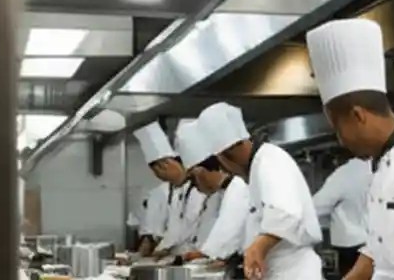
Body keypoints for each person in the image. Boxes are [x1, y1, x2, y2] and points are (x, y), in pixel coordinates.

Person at [307, 18, 394, 280]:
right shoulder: (379, 165)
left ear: (358, 116)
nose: (340, 141)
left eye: (338, 129)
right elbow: (376, 249)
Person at [197, 102, 324, 280]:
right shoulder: (255, 169)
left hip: (294, 273)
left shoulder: (270, 160)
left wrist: (258, 247)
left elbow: (284, 213)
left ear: (228, 153)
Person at [176, 119, 251, 267]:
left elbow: (228, 232)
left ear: (200, 171)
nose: (194, 187)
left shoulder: (238, 188)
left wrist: (204, 254)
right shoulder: (219, 194)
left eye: (193, 179)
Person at [134, 121, 203, 258]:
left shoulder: (200, 189)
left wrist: (162, 248)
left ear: (166, 164)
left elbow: (186, 228)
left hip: (194, 256)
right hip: (174, 257)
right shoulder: (170, 191)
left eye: (158, 169)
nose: (159, 175)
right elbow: (163, 230)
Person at [312, 153, 373, 276]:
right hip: (372, 241)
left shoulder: (344, 174)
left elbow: (317, 206)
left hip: (351, 245)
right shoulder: (375, 168)